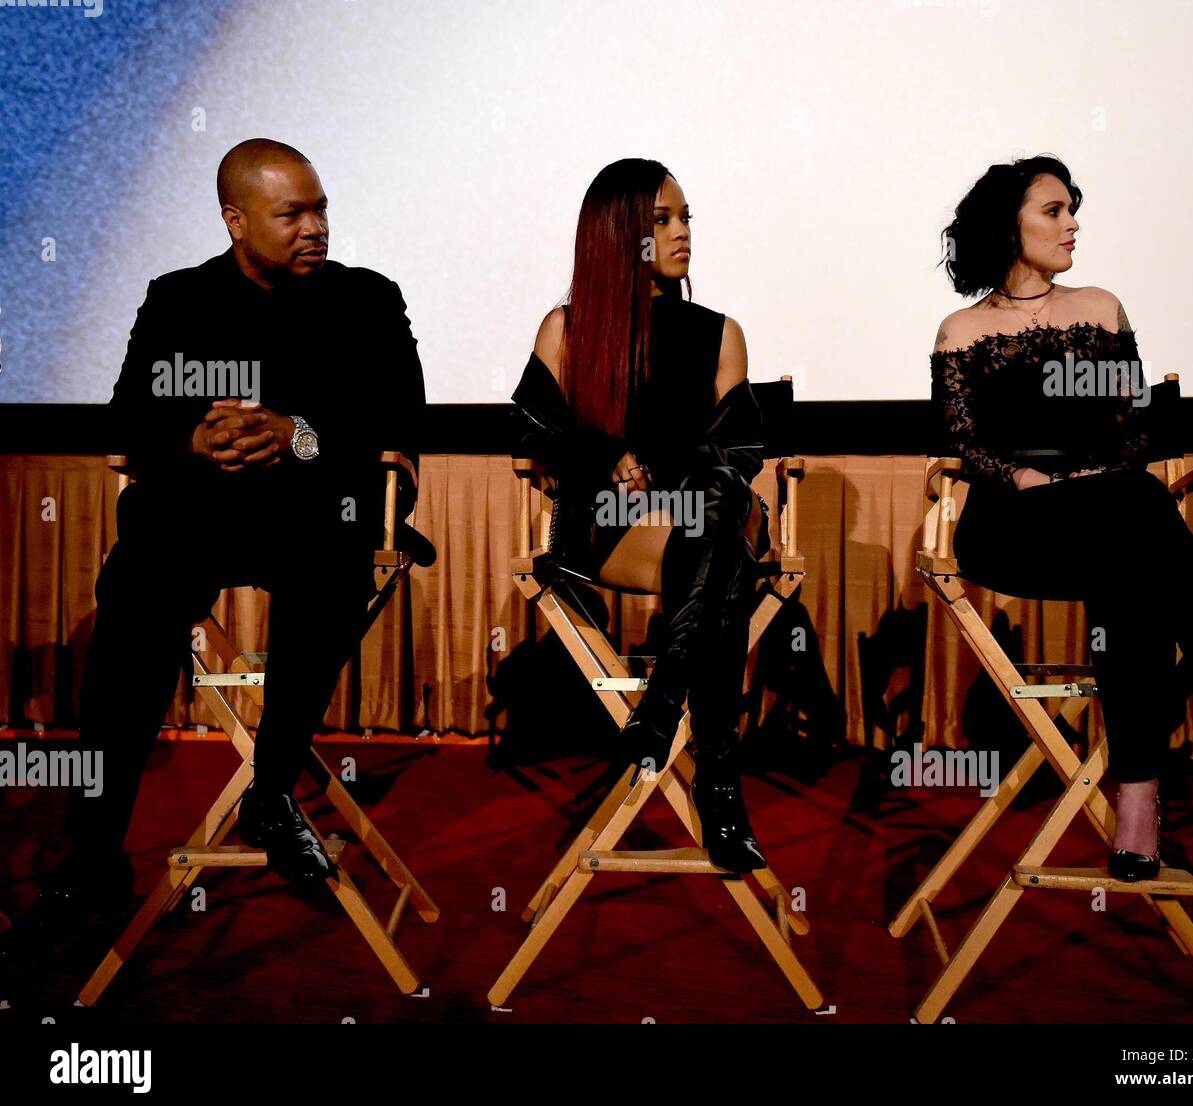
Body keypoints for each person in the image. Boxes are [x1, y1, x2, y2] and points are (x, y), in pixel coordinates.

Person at [0, 138, 427, 995]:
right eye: (292, 214)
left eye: (321, 208)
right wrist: (188, 435)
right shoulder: (179, 299)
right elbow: (127, 418)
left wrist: (296, 432)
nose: (316, 228)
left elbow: (401, 416)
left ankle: (271, 786)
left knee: (333, 569)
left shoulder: (366, 300)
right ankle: (92, 858)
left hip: (313, 514)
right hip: (197, 511)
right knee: (135, 595)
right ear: (236, 221)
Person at [929, 153, 1193, 881]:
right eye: (1054, 211)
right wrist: (1027, 475)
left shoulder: (1100, 306)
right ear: (1010, 225)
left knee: (1127, 543)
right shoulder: (961, 328)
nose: (1073, 225)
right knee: (1136, 515)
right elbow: (961, 444)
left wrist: (1100, 469)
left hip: (1106, 514)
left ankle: (1137, 800)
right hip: (1012, 524)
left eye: (1074, 210)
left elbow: (1135, 429)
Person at [511, 158, 770, 873]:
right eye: (662, 220)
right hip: (611, 528)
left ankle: (660, 712)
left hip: (703, 517)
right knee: (726, 560)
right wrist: (605, 456)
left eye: (686, 217)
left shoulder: (721, 332)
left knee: (719, 510)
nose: (682, 232)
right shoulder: (567, 329)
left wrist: (673, 478)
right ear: (618, 234)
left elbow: (737, 453)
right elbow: (530, 443)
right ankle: (719, 785)